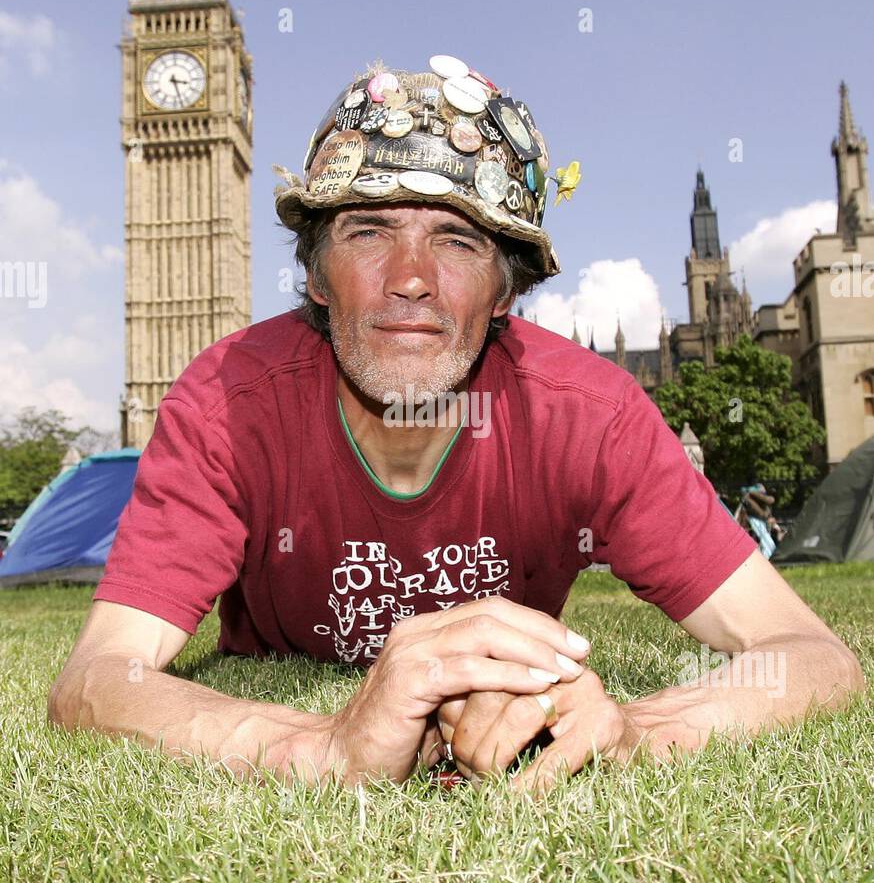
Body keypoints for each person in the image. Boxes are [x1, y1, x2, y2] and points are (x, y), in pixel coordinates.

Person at [48, 57, 863, 794]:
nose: (412, 279)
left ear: (506, 292)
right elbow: (94, 680)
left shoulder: (592, 415)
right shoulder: (226, 402)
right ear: (316, 277)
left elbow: (814, 657)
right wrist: (318, 744)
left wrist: (635, 731)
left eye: (457, 242)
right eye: (369, 232)